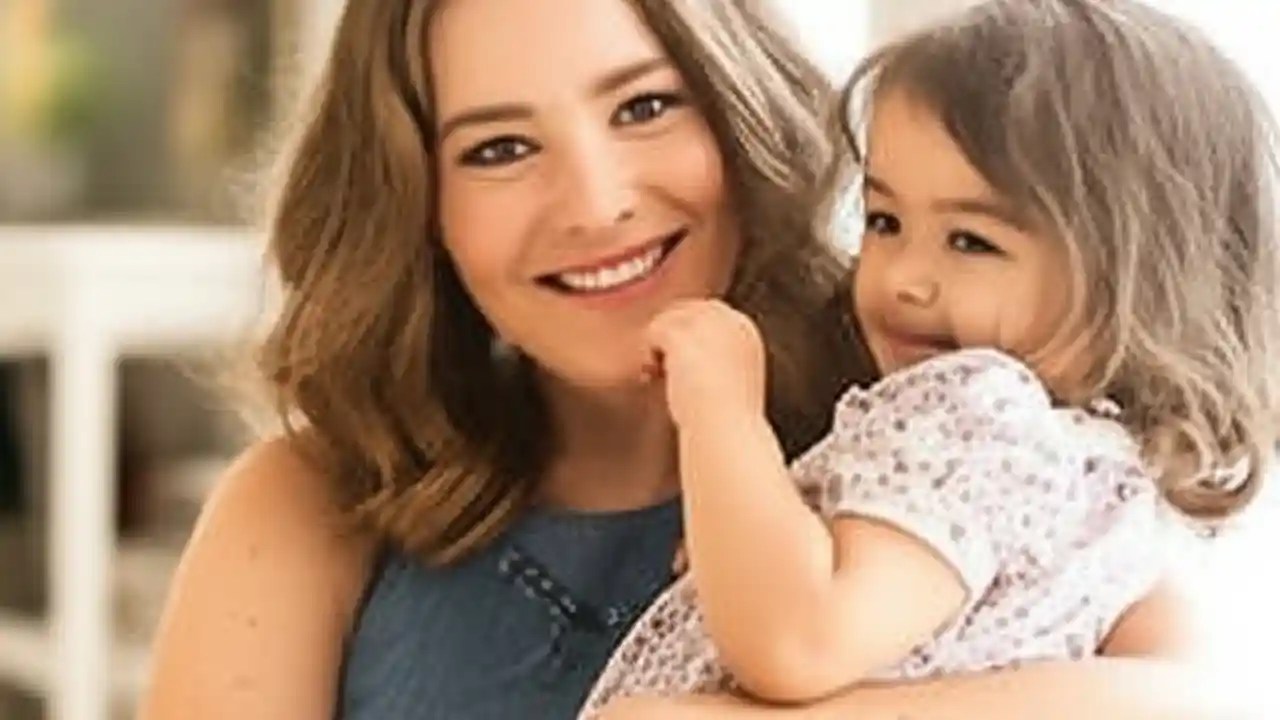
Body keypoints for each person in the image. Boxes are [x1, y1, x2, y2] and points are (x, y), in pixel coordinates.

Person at [140, 1, 1212, 718]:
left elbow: (1186, 700)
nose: (597, 201)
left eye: (646, 106)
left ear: (742, 106)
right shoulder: (310, 507)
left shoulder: (951, 453)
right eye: (498, 149)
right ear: (417, 205)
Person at [579, 0, 1280, 717]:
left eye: (972, 241)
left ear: (1139, 278)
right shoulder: (1108, 490)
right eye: (884, 221)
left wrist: (722, 414)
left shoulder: (978, 409)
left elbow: (796, 642)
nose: (901, 278)